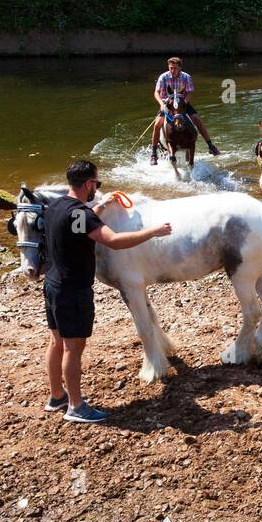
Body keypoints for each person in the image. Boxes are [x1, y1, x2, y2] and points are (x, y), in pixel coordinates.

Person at [42, 159, 173, 424]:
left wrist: (101, 206)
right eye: (97, 184)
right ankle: (76, 407)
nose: (96, 188)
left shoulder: (55, 206)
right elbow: (114, 241)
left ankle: (57, 396)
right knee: (73, 347)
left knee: (56, 342)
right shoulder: (80, 213)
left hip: (53, 285)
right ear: (89, 184)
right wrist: (153, 232)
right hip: (73, 290)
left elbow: (79, 224)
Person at [151, 56, 219, 161]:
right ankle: (154, 153)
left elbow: (190, 92)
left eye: (175, 68)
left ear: (180, 68)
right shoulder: (163, 77)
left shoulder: (186, 77)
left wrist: (184, 103)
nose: (172, 70)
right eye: (170, 68)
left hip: (182, 104)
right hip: (168, 105)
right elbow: (156, 92)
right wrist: (161, 103)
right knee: (157, 124)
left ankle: (210, 146)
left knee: (197, 120)